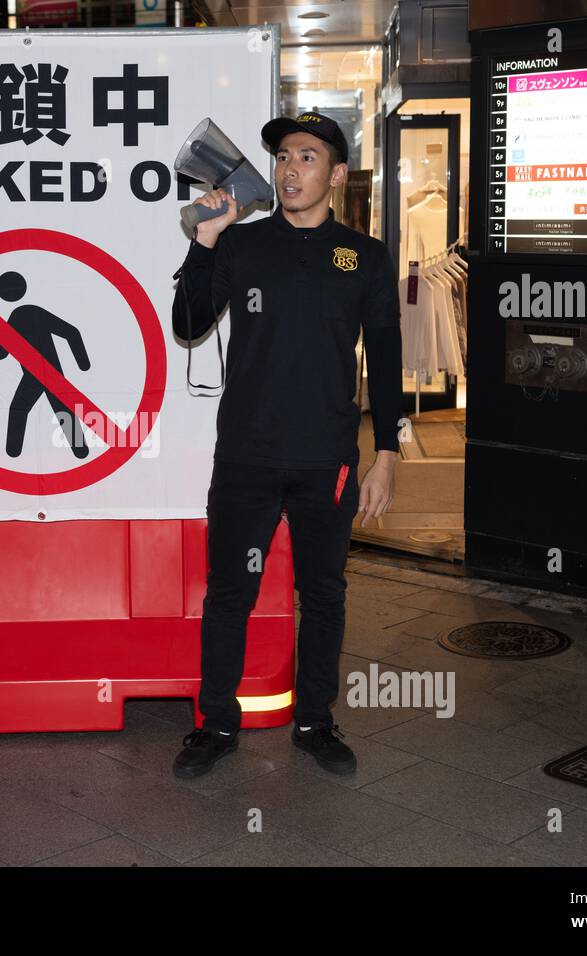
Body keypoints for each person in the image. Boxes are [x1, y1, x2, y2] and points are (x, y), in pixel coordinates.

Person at [170, 111, 403, 779]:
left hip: (326, 458)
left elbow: (385, 361)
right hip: (246, 452)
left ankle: (315, 719)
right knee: (229, 592)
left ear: (336, 173)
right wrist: (206, 241)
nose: (290, 168)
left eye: (306, 156)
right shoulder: (241, 245)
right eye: (282, 157)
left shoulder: (365, 256)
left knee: (324, 592)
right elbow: (188, 323)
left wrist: (386, 453)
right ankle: (214, 722)